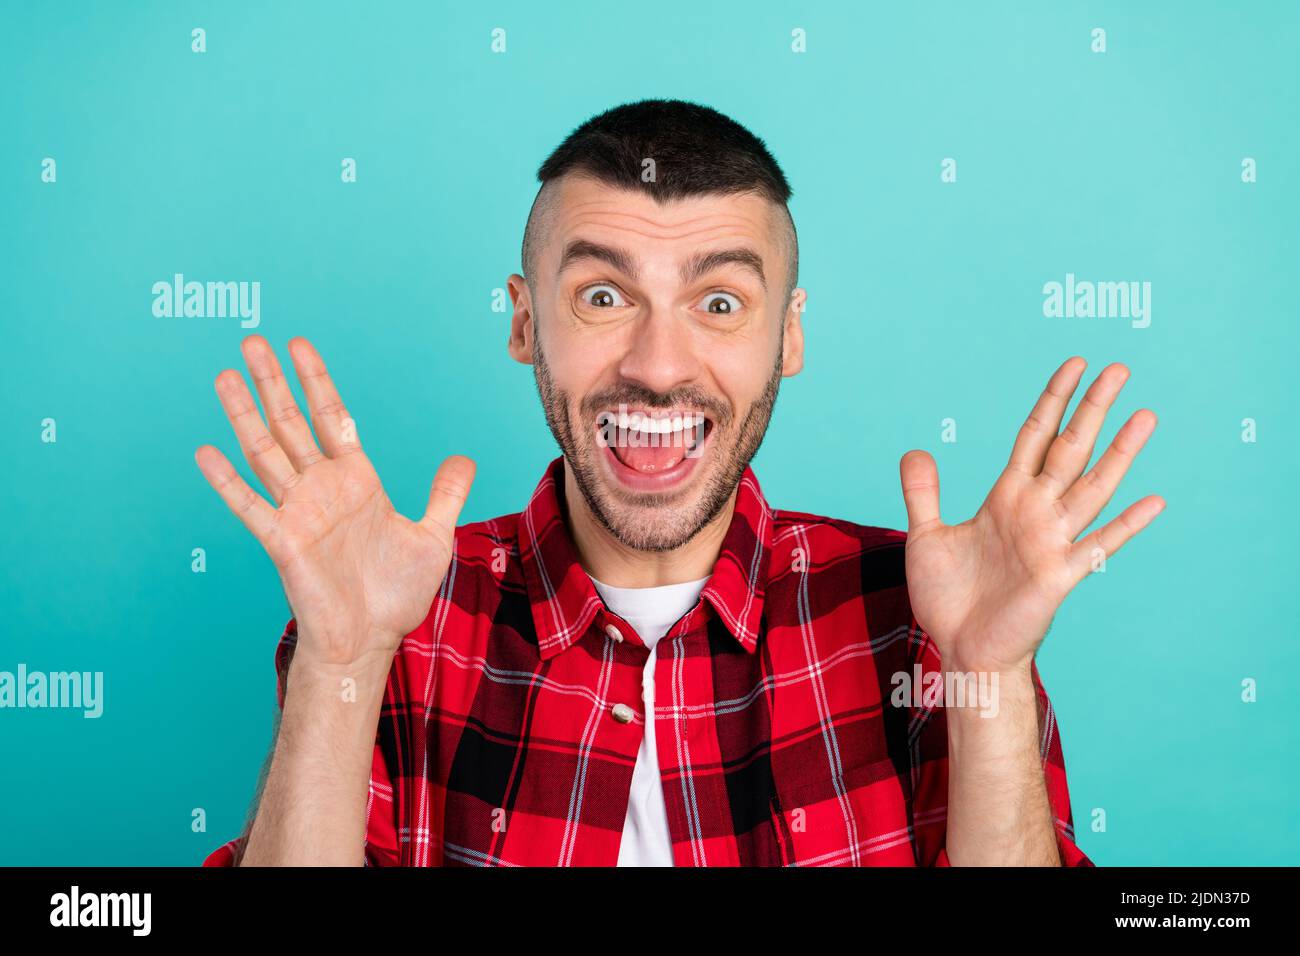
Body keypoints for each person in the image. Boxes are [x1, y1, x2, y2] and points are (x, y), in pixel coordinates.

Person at [198, 99, 1161, 866]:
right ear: (526, 323)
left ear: (787, 336)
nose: (659, 366)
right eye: (604, 297)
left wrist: (986, 678)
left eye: (719, 301)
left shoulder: (923, 620)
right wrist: (341, 666)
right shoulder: (397, 616)